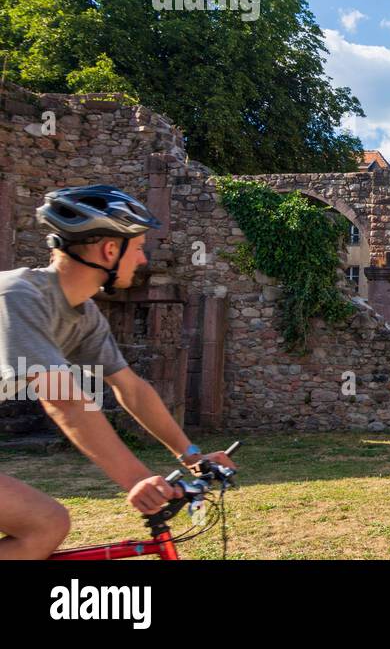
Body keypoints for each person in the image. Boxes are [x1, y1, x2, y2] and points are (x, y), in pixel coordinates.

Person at [0, 185, 236, 559]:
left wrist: (191, 455)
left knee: (45, 525)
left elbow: (131, 388)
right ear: (111, 249)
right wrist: (138, 480)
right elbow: (65, 402)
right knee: (45, 524)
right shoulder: (18, 296)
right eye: (139, 247)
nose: (142, 260)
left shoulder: (83, 315)